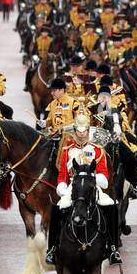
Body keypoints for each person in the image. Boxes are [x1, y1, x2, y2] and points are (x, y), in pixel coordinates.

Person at [47, 110, 122, 266]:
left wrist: (93, 179)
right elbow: (62, 175)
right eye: (79, 131)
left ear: (88, 130)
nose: (81, 134)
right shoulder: (67, 150)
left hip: (92, 186)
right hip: (73, 187)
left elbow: (104, 176)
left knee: (111, 206)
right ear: (74, 131)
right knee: (57, 208)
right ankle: (52, 249)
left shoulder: (97, 150)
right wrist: (61, 186)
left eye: (84, 131)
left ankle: (113, 247)